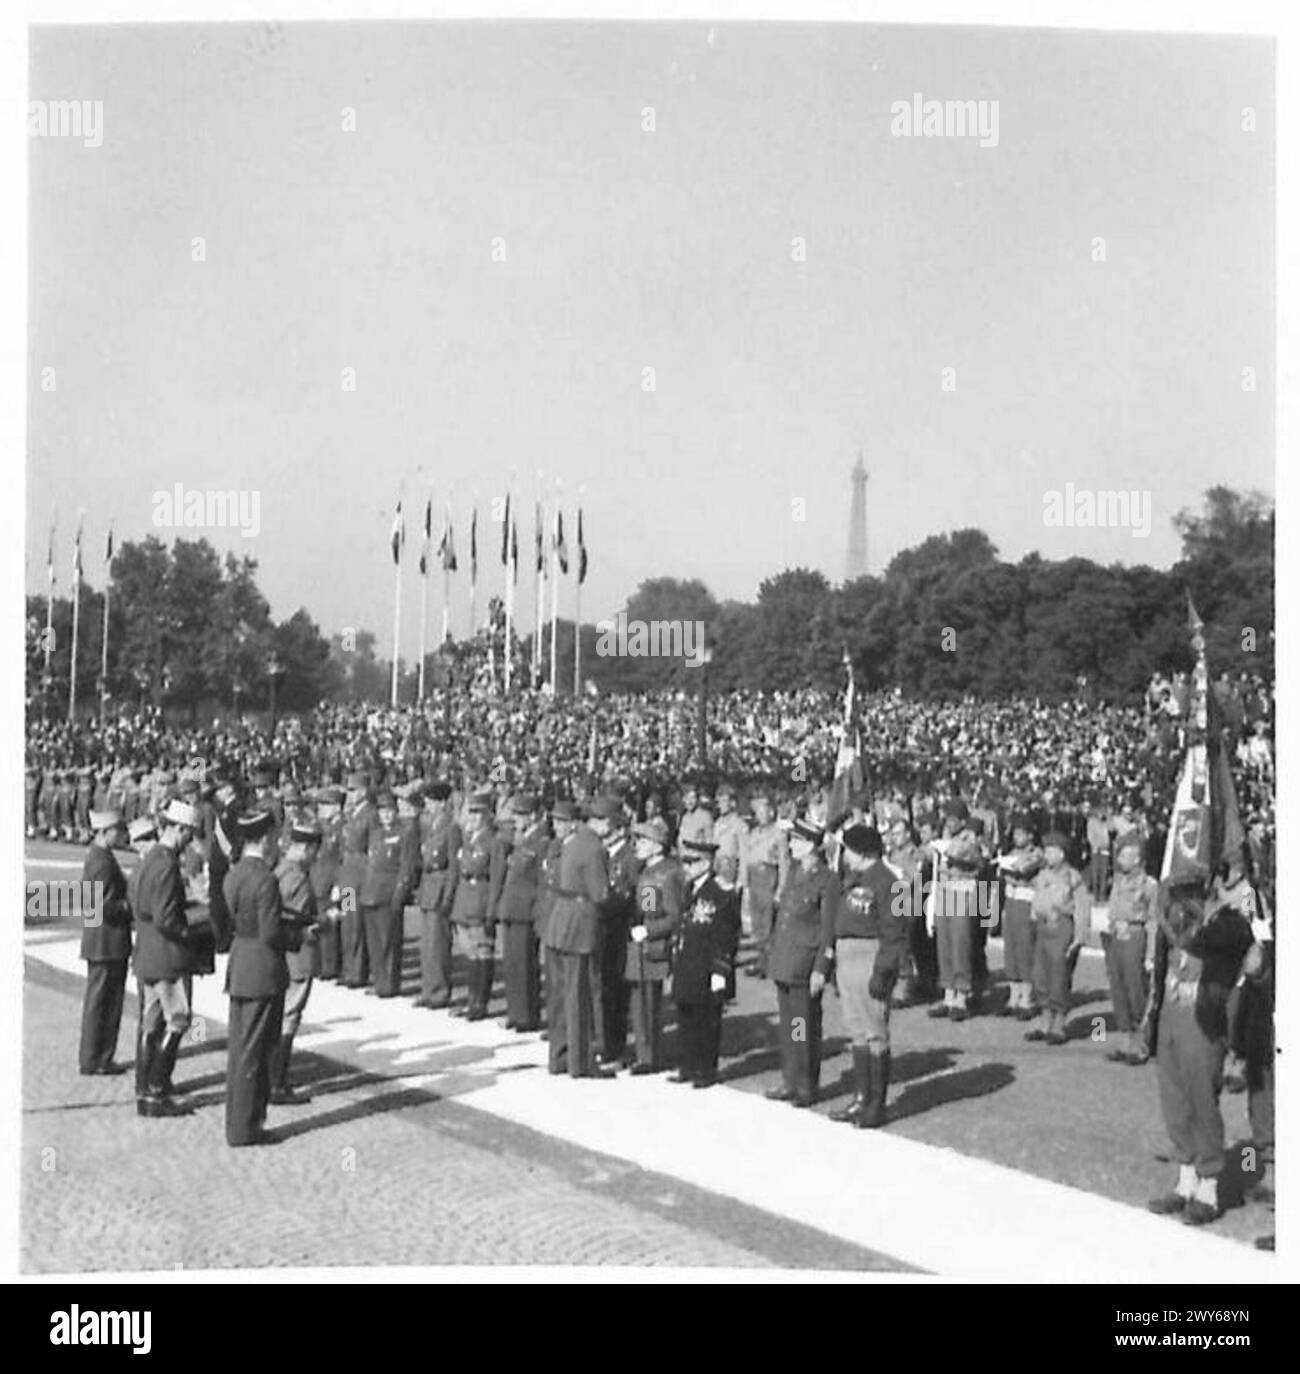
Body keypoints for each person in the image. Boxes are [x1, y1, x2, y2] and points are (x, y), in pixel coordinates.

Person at [1147, 869, 1254, 1224]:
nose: (1179, 900)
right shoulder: (1175, 916)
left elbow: (1214, 942)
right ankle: (1185, 1180)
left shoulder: (1230, 922)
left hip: (1203, 1019)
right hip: (1172, 1015)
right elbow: (1163, 957)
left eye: (1187, 892)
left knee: (1202, 1099)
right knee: (1174, 1097)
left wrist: (1200, 916)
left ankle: (1208, 1186)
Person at [816, 825, 908, 1128]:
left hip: (870, 956)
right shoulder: (853, 880)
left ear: (864, 852)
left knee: (874, 1031)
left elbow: (896, 933)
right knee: (856, 1029)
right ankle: (860, 1098)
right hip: (847, 957)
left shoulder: (890, 882)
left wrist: (884, 970)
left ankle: (875, 1105)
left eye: (850, 850)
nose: (845, 856)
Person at [224, 808, 301, 1147]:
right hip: (263, 969)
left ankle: (241, 1123)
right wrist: (299, 937)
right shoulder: (265, 879)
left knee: (241, 1049)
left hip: (241, 963)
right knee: (255, 1052)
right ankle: (247, 1126)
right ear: (266, 839)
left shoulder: (235, 873)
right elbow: (271, 932)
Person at [132, 798, 203, 1118]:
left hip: (147, 953)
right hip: (166, 956)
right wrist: (192, 929)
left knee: (151, 1023)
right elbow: (166, 918)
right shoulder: (165, 863)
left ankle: (145, 1091)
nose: (191, 839)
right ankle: (158, 1091)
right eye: (189, 833)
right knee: (178, 1020)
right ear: (180, 829)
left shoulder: (149, 860)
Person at [766, 818, 840, 1107]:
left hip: (804, 963)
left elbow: (828, 929)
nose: (792, 845)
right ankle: (790, 1079)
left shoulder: (827, 879)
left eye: (796, 840)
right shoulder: (795, 872)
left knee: (802, 1024)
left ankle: (806, 1084)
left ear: (810, 845)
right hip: (786, 958)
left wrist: (822, 967)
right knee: (788, 1025)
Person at [543, 796, 614, 1079]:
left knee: (560, 995)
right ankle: (580, 1061)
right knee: (579, 996)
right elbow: (601, 894)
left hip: (561, 921)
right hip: (582, 924)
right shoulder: (594, 848)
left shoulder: (569, 844)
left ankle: (559, 1055)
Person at [670, 841, 741, 1089]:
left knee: (706, 1019)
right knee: (686, 1015)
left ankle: (705, 1069)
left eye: (692, 862)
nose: (686, 867)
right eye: (685, 862)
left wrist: (721, 969)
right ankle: (687, 1065)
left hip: (706, 964)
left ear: (706, 863)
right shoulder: (689, 888)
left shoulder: (721, 892)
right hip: (687, 960)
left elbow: (726, 933)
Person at [271, 818, 324, 1105]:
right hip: (297, 956)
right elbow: (299, 923)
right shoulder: (298, 878)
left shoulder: (281, 870)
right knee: (289, 1016)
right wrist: (327, 921)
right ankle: (277, 1081)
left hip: (284, 955)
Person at [626, 818, 685, 1075]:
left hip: (654, 945)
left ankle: (650, 1055)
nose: (638, 845)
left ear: (658, 845)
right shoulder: (648, 871)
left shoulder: (667, 874)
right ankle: (644, 1052)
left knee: (649, 1002)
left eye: (644, 840)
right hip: (641, 943)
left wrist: (648, 930)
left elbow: (673, 916)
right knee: (639, 1001)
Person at [1023, 831, 1091, 1046]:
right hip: (1042, 927)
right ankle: (1044, 1021)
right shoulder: (1042, 874)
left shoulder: (1073, 877)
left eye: (1051, 851)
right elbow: (1022, 871)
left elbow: (1082, 908)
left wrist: (1079, 937)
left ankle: (1059, 1023)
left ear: (1061, 854)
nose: (1047, 854)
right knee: (1040, 975)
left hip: (1061, 927)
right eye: (1046, 850)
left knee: (1059, 976)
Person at [78, 809, 132, 1076]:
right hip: (106, 939)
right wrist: (129, 906)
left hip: (101, 939)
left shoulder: (99, 856)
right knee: (104, 1003)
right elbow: (99, 904)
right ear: (103, 832)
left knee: (100, 1001)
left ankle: (95, 1056)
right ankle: (97, 1058)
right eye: (116, 831)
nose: (120, 835)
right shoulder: (101, 860)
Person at [1101, 831, 1159, 1065]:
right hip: (1115, 935)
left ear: (1137, 857)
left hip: (1135, 936)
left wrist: (1151, 954)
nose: (1120, 859)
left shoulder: (1149, 885)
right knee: (1117, 987)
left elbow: (1153, 920)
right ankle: (1124, 1038)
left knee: (1136, 989)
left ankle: (1141, 1041)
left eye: (1125, 854)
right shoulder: (1116, 880)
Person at [492, 793, 547, 1031]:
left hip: (526, 909)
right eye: (515, 814)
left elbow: (541, 880)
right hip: (512, 906)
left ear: (533, 816)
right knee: (512, 964)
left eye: (521, 814)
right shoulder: (519, 838)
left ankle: (527, 1015)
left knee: (525, 966)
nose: (516, 819)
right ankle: (515, 1012)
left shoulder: (540, 841)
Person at [927, 800, 984, 1022]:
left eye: (953, 819)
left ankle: (962, 994)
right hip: (945, 892)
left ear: (962, 820)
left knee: (961, 943)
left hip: (962, 892)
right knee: (944, 944)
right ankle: (948, 992)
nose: (949, 823)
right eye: (947, 819)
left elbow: (974, 857)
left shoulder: (970, 837)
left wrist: (949, 849)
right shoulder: (945, 836)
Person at [360, 788, 418, 999]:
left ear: (396, 811)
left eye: (389, 810)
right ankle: (379, 981)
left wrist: (399, 894)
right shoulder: (375, 834)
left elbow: (406, 866)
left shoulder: (404, 833)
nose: (385, 815)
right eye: (382, 810)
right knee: (374, 942)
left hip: (388, 894)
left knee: (389, 942)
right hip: (370, 892)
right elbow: (370, 864)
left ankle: (389, 984)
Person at [449, 791, 501, 1019]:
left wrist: (491, 910)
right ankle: (472, 1000)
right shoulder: (469, 838)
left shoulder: (492, 841)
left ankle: (479, 1003)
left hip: (480, 899)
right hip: (465, 900)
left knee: (482, 955)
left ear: (487, 816)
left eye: (477, 813)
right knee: (469, 954)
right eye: (470, 812)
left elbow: (496, 879)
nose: (472, 817)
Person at [598, 797, 638, 1062]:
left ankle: (616, 1046)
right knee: (603, 989)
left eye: (607, 826)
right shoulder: (603, 854)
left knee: (616, 992)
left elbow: (634, 897)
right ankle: (605, 1041)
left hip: (620, 932)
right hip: (603, 930)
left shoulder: (629, 858)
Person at [414, 781, 460, 1009]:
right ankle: (428, 988)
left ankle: (440, 991)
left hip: (440, 886)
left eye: (432, 801)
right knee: (427, 946)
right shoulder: (431, 824)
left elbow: (453, 865)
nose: (428, 805)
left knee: (438, 945)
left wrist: (449, 895)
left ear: (443, 802)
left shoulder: (451, 827)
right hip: (428, 886)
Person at [995, 815, 1043, 1019]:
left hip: (1026, 902)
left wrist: (1012, 866)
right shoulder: (1012, 852)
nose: (1017, 838)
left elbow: (1024, 868)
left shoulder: (1036, 853)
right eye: (1015, 834)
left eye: (1021, 834)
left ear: (1030, 836)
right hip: (1011, 901)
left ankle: (1027, 998)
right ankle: (1013, 996)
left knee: (1025, 949)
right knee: (1011, 950)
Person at [743, 789, 789, 979]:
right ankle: (761, 960)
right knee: (757, 925)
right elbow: (748, 858)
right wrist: (745, 884)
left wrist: (781, 889)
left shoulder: (779, 834)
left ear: (772, 812)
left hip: (768, 878)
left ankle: (769, 964)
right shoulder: (753, 832)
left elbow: (784, 864)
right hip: (754, 878)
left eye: (764, 810)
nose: (760, 815)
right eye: (758, 811)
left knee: (768, 925)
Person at [337, 772, 375, 988]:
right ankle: (349, 968)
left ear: (362, 791)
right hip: (348, 874)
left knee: (355, 924)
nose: (349, 795)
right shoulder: (352, 813)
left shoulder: (369, 814)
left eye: (352, 790)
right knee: (348, 923)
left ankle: (357, 971)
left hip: (358, 875)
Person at [309, 786, 345, 980]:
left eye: (325, 804)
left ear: (336, 807)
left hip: (340, 884)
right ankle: (325, 965)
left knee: (344, 924)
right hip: (320, 881)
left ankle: (336, 967)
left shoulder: (343, 827)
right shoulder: (322, 826)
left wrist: (339, 885)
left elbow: (344, 858)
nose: (321, 808)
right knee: (323, 923)